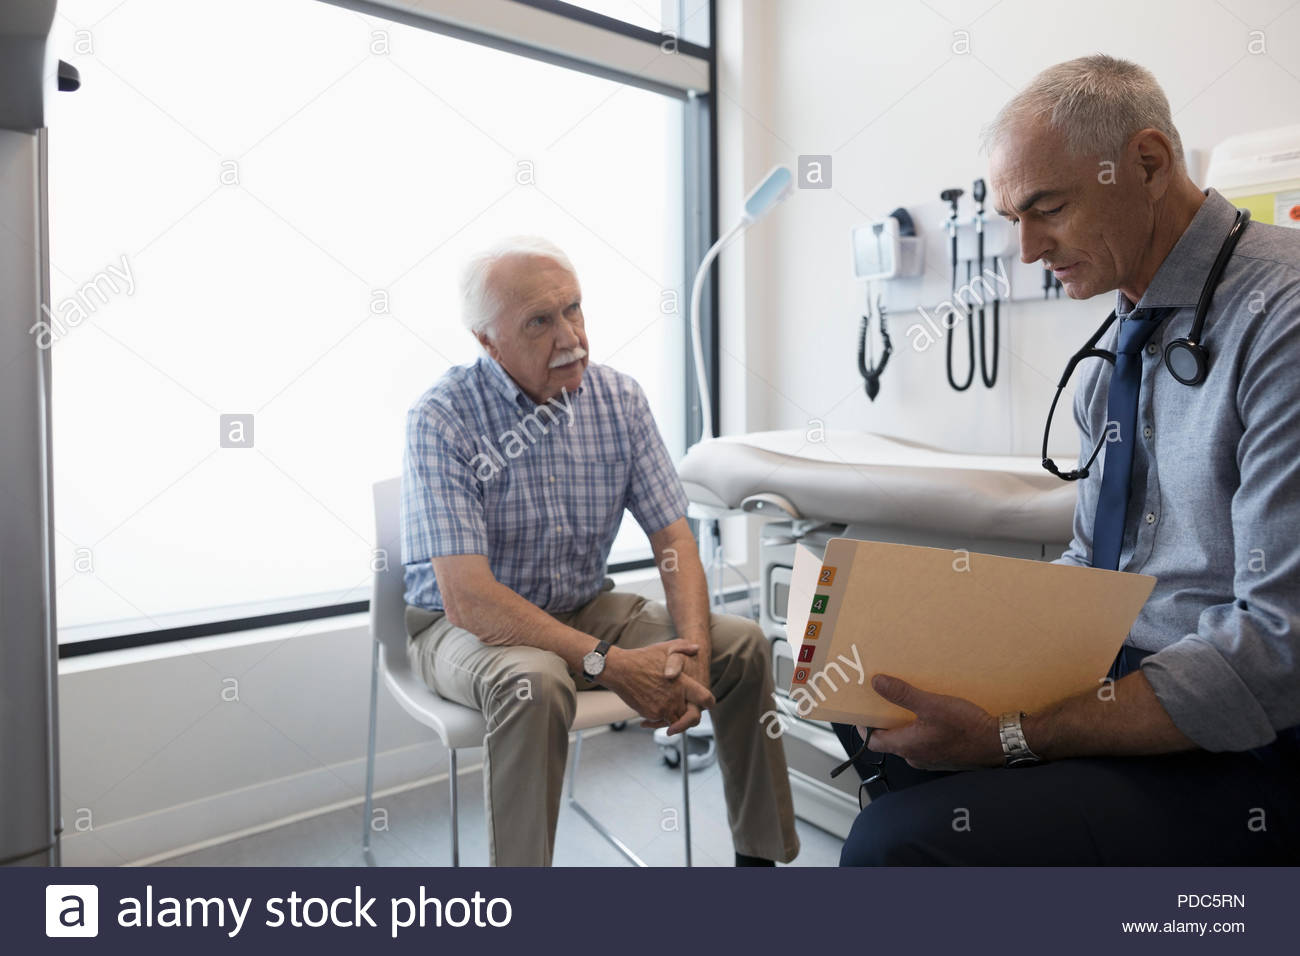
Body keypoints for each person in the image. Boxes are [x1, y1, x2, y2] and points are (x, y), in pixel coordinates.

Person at [836, 55, 1300, 865]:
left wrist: (1016, 736)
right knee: (875, 704)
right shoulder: (1120, 344)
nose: (1025, 250)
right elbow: (1094, 563)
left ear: (1148, 164)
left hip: (1249, 743)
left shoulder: (1280, 320)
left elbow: (1277, 647)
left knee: (896, 845)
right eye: (1013, 216)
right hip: (1119, 678)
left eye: (1046, 208)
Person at [402, 236, 799, 866]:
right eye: (539, 320)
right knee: (534, 684)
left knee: (741, 645)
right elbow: (469, 599)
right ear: (487, 341)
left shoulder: (619, 399)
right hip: (464, 629)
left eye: (573, 309)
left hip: (582, 605)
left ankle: (760, 862)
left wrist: (692, 654)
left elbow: (672, 537)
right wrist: (609, 665)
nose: (570, 337)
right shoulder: (441, 418)